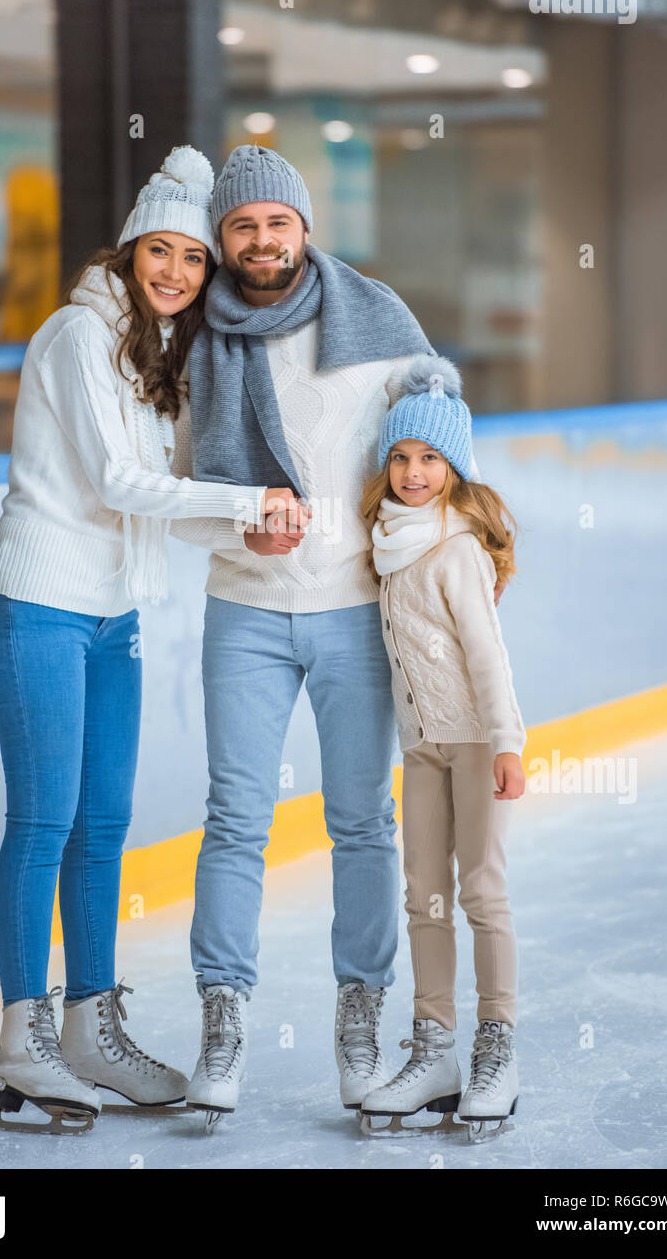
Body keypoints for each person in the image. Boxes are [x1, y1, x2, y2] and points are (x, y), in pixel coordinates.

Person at [0, 146, 297, 1133]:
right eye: (162, 251)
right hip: (38, 605)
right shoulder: (78, 336)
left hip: (112, 619)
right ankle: (20, 1040)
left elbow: (153, 512)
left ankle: (89, 1029)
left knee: (103, 824)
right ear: (130, 252)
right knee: (43, 820)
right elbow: (119, 483)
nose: (177, 273)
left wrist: (248, 524)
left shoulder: (155, 355)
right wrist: (245, 496)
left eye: (195, 261)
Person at [167, 143, 476, 1124]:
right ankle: (222, 1022)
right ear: (224, 240)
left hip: (353, 612)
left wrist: (435, 558)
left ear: (305, 228)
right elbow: (173, 492)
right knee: (234, 819)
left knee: (360, 822)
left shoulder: (379, 322)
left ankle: (360, 1016)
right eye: (243, 226)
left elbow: (438, 443)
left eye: (278, 222)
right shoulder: (198, 345)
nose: (263, 240)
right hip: (245, 609)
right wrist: (236, 517)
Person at [358, 354, 526, 1142]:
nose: (413, 472)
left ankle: (497, 1047)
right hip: (420, 747)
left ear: (453, 467)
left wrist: (506, 744)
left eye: (429, 459)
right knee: (422, 895)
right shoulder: (386, 540)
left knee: (480, 894)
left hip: (473, 744)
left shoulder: (453, 548)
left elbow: (487, 656)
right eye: (400, 457)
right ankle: (433, 1052)